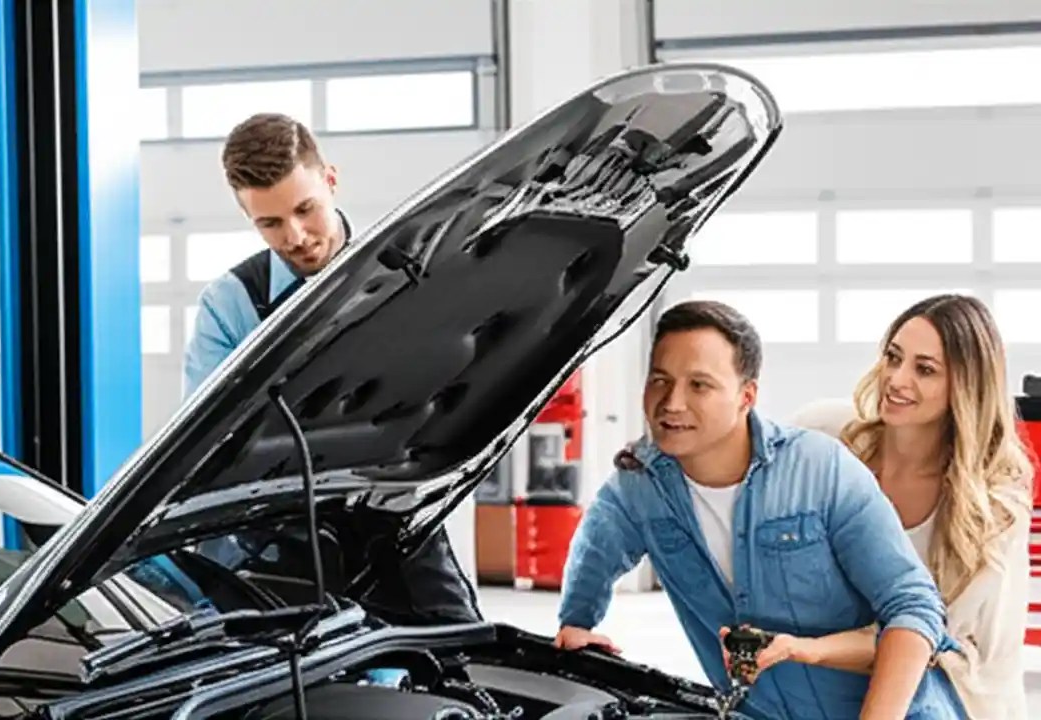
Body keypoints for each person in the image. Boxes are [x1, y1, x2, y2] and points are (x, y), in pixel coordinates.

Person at [555, 299, 965, 719]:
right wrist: (577, 624)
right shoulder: (637, 487)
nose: (672, 402)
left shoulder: (820, 469)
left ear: (745, 396)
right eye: (660, 380)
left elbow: (914, 606)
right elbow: (593, 557)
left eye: (699, 385)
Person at [181, 112, 482, 626]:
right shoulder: (230, 305)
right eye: (269, 223)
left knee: (457, 648)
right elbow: (207, 446)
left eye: (305, 209)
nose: (295, 236)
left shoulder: (410, 275)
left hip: (397, 515)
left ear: (331, 180)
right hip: (280, 532)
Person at [783, 294, 1034, 718]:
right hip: (838, 664)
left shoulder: (991, 509)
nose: (897, 380)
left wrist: (813, 649)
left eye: (925, 370)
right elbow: (740, 470)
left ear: (964, 385)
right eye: (893, 357)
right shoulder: (826, 437)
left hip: (947, 691)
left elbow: (930, 647)